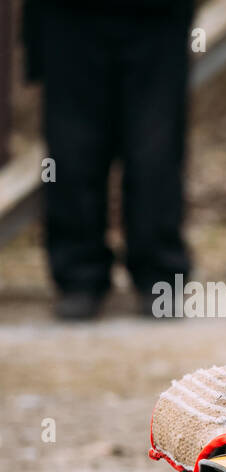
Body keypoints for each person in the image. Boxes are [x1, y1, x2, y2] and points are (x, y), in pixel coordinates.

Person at [22, 0, 194, 321]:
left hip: (159, 21)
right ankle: (78, 278)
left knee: (155, 154)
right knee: (71, 153)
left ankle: (159, 278)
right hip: (67, 19)